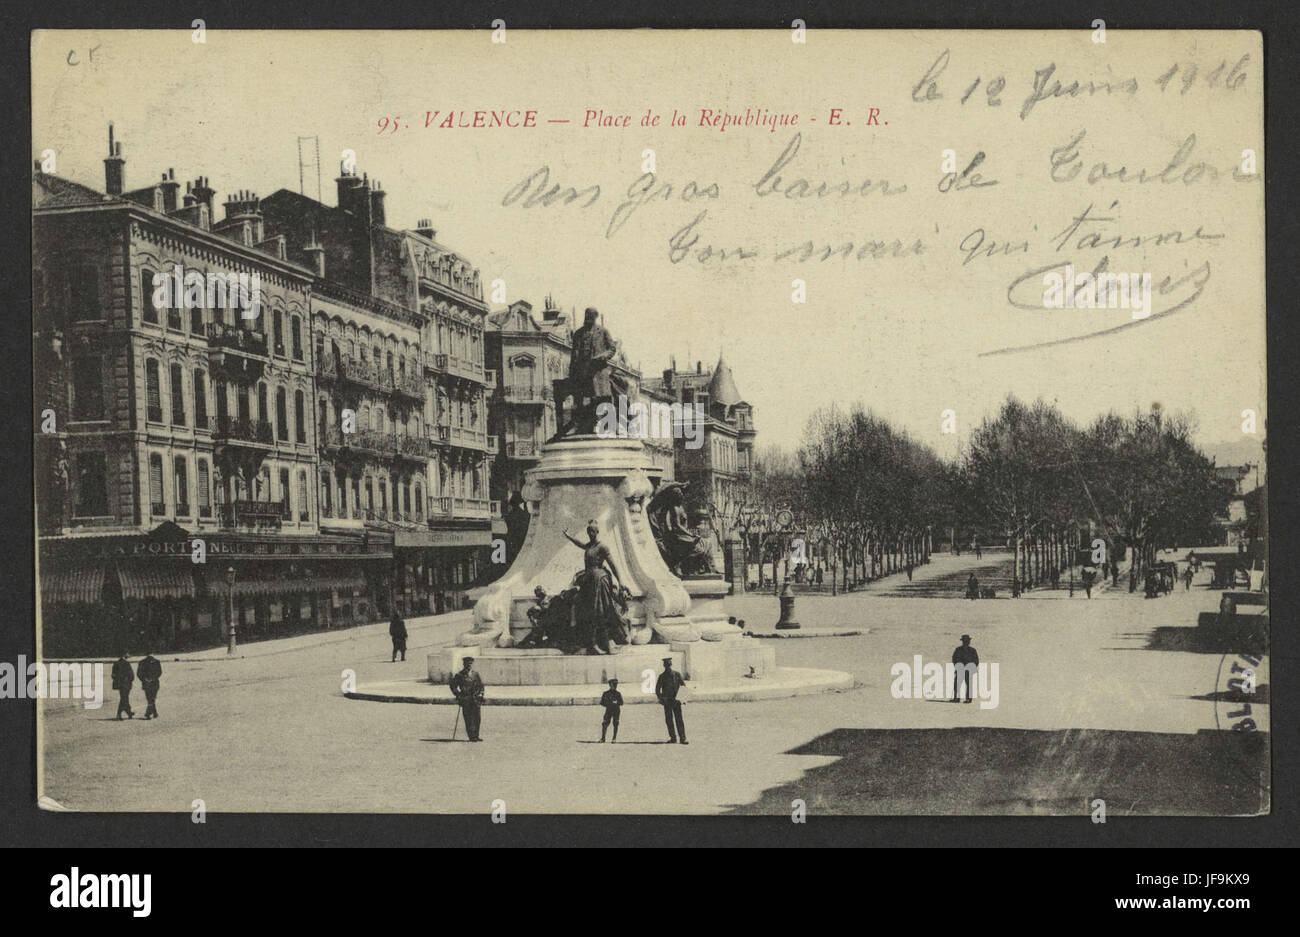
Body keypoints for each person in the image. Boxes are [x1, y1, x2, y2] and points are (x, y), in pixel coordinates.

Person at [564, 521, 631, 654]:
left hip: (599, 581)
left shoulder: (602, 547)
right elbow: (580, 544)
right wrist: (568, 536)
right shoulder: (589, 545)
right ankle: (593, 644)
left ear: (597, 532)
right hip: (589, 581)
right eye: (588, 531)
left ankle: (604, 643)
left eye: (593, 531)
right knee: (588, 611)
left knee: (600, 610)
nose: (590, 533)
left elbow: (612, 564)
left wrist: (620, 581)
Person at [450, 656, 485, 742]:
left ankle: (476, 735)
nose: (468, 666)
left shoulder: (475, 674)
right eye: (467, 664)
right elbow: (453, 686)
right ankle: (471, 736)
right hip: (466, 699)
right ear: (464, 664)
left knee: (477, 718)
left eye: (470, 664)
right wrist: (458, 695)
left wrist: (481, 694)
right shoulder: (459, 675)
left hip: (475, 699)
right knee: (468, 718)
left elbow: (481, 686)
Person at [655, 657, 688, 744]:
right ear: (664, 666)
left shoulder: (677, 674)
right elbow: (657, 690)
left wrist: (682, 698)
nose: (668, 667)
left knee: (679, 719)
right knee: (669, 720)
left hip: (676, 701)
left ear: (671, 665)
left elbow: (683, 686)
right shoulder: (661, 676)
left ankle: (683, 738)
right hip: (667, 702)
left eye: (669, 665)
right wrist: (662, 699)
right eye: (666, 665)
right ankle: (673, 737)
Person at [951, 635, 978, 703]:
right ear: (962, 641)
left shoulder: (972, 650)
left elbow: (976, 661)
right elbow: (954, 659)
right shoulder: (958, 649)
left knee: (969, 684)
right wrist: (958, 666)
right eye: (965, 641)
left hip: (968, 670)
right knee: (957, 684)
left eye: (967, 641)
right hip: (960, 669)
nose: (966, 642)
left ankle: (969, 699)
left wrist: (971, 667)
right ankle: (956, 698)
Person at [136, 651, 162, 720]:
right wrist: (152, 679)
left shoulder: (142, 662)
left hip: (147, 683)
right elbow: (159, 672)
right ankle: (149, 713)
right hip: (154, 683)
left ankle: (153, 712)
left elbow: (139, 674)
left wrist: (145, 679)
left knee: (150, 699)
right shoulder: (156, 662)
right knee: (152, 699)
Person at [111, 651, 134, 720]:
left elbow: (113, 675)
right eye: (128, 653)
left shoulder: (116, 663)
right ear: (124, 654)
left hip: (120, 685)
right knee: (124, 699)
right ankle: (119, 714)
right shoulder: (126, 663)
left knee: (124, 698)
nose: (129, 655)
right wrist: (130, 681)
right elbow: (131, 675)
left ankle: (129, 712)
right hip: (126, 684)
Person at [599, 678, 623, 742]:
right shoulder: (606, 693)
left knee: (615, 723)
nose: (615, 686)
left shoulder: (618, 694)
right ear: (610, 685)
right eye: (614, 684)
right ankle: (603, 738)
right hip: (609, 710)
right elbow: (602, 703)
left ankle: (614, 738)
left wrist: (616, 703)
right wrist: (609, 704)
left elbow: (621, 702)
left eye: (616, 684)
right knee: (605, 723)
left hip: (616, 710)